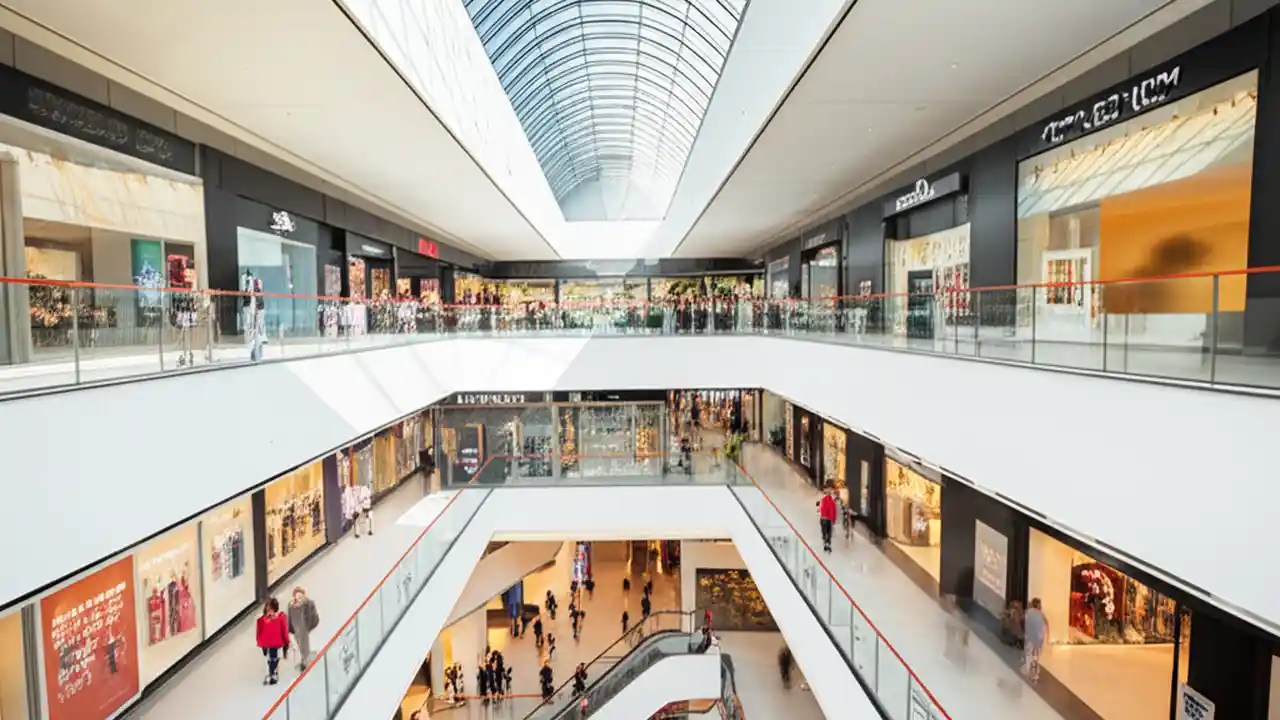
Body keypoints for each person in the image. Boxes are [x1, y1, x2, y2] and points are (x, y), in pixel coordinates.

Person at [255, 597, 290, 685]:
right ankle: (272, 674)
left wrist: (286, 641)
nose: (270, 611)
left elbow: (284, 630)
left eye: (271, 609)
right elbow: (259, 631)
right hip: (269, 643)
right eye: (268, 609)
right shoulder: (262, 620)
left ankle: (272, 674)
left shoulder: (279, 618)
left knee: (273, 658)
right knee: (272, 658)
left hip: (275, 642)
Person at [287, 586, 320, 671]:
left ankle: (305, 661)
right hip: (296, 627)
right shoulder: (291, 605)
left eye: (300, 596)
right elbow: (289, 617)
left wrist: (311, 625)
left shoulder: (308, 603)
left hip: (304, 627)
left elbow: (313, 615)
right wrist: (290, 627)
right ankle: (304, 658)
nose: (298, 598)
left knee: (304, 643)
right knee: (300, 643)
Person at [1023, 597, 1049, 683]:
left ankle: (1029, 669)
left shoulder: (1028, 612)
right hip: (1038, 638)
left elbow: (1025, 623)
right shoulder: (1041, 614)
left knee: (1029, 653)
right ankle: (1034, 670)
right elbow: (1046, 624)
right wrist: (1047, 637)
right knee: (1036, 654)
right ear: (1038, 605)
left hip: (1030, 637)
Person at [817, 488, 837, 553]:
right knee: (829, 532)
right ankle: (828, 543)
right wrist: (833, 520)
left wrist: (820, 516)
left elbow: (819, 509)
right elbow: (834, 511)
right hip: (829, 519)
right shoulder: (832, 501)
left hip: (823, 518)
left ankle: (825, 542)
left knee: (824, 531)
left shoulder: (822, 500)